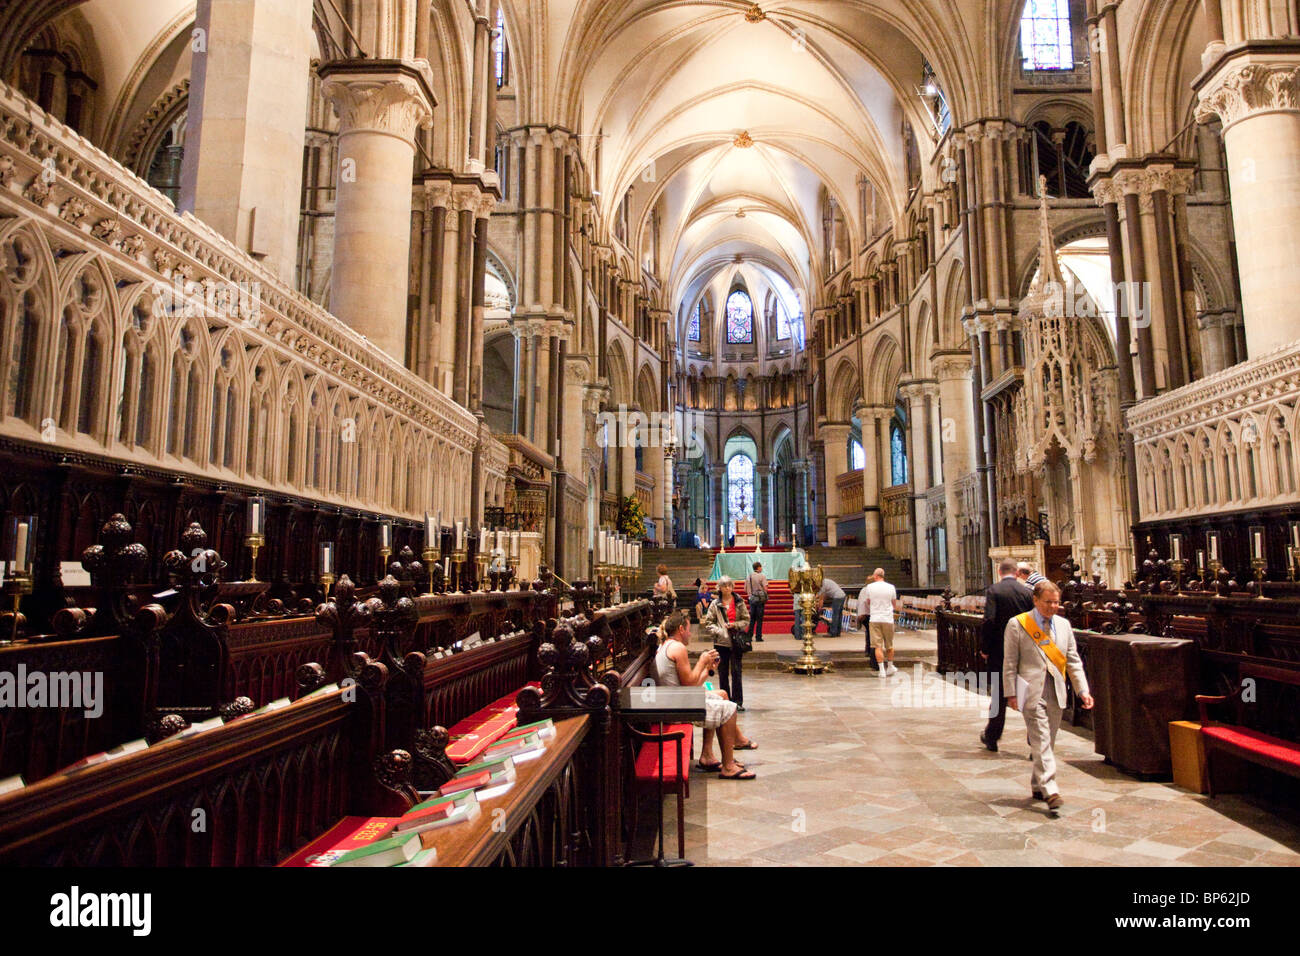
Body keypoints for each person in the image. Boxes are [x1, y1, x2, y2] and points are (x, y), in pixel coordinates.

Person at [1003, 581, 1094, 811]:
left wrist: (1083, 690)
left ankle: (1037, 784)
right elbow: (1010, 662)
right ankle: (1051, 788)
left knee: (1047, 741)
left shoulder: (1063, 625)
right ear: (1035, 600)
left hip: (1056, 690)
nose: (1053, 606)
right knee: (1041, 738)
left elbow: (1073, 661)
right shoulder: (1018, 624)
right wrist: (1010, 693)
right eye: (1048, 602)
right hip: (1030, 690)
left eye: (1056, 602)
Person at [655, 610, 756, 779]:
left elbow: (691, 684)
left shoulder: (668, 645)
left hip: (674, 699)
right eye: (688, 629)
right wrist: (701, 662)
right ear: (680, 629)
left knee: (722, 695)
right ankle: (729, 767)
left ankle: (707, 755)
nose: (690, 633)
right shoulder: (677, 648)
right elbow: (689, 686)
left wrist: (707, 669)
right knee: (730, 709)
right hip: (677, 706)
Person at [978, 557, 1034, 751]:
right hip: (1024, 651)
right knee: (1027, 694)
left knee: (998, 696)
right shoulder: (1027, 592)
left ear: (999, 572)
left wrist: (985, 648)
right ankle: (1033, 739)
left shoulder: (994, 591)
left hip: (999, 651)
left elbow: (989, 621)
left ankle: (992, 736)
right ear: (1017, 573)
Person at [704, 576, 750, 709]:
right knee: (723, 673)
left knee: (737, 672)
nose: (728, 588)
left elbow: (746, 619)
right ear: (720, 588)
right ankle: (725, 701)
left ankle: (738, 702)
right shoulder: (715, 604)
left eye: (730, 585)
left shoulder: (739, 602)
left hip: (736, 641)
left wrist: (735, 625)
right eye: (725, 586)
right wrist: (720, 631)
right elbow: (708, 623)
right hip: (721, 643)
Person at [855, 568, 899, 676]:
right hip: (887, 618)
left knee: (877, 645)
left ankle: (881, 670)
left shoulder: (869, 587)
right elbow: (894, 603)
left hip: (875, 618)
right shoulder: (891, 587)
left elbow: (868, 602)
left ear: (875, 576)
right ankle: (890, 666)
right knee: (889, 645)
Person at [745, 561, 768, 643]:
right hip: (760, 599)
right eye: (761, 567)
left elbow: (745, 589)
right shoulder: (762, 576)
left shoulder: (749, 576)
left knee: (752, 619)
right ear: (758, 568)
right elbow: (765, 588)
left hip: (752, 599)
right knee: (759, 619)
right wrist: (765, 594)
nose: (761, 568)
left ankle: (749, 636)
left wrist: (750, 594)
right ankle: (758, 636)